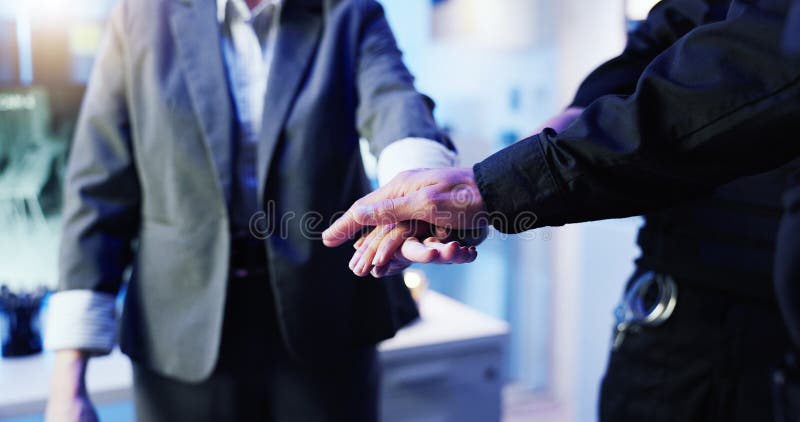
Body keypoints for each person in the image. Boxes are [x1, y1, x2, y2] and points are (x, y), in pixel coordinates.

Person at [323, 0, 800, 420]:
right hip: (677, 309)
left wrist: (486, 188)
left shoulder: (346, 10)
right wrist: (502, 171)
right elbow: (651, 50)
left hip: (761, 321)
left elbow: (761, 68)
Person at [43, 0, 473, 421]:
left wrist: (418, 189)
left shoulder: (349, 11)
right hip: (178, 333)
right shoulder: (140, 14)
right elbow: (98, 188)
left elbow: (394, 101)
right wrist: (68, 382)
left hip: (324, 322)